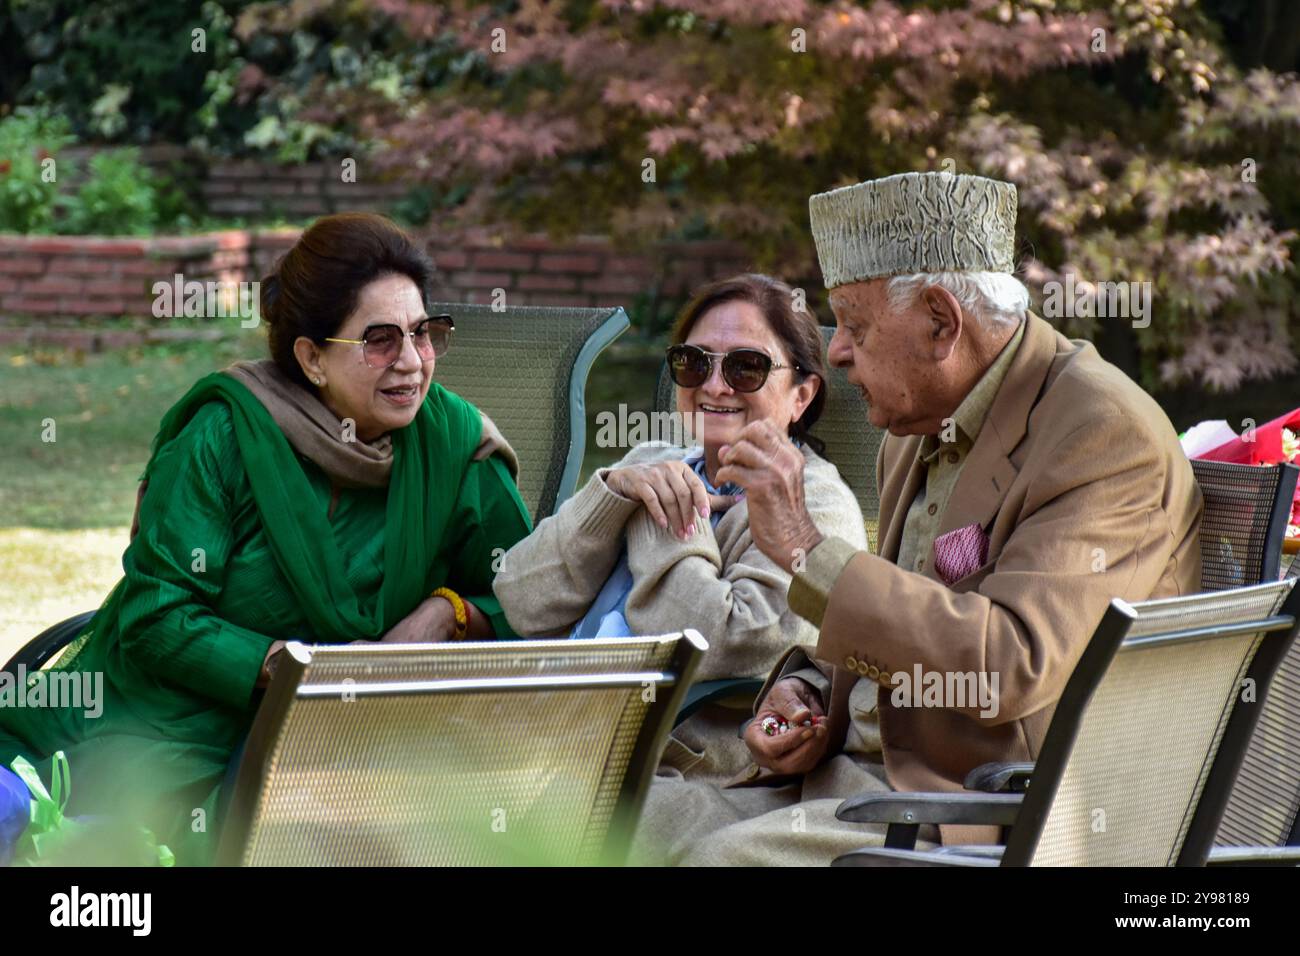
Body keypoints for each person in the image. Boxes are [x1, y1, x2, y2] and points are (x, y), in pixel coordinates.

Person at [631, 172, 1202, 865]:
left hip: (979, 810)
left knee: (718, 863)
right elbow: (899, 619)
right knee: (613, 820)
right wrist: (808, 691)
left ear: (940, 322)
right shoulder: (913, 424)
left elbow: (1007, 664)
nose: (837, 350)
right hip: (853, 780)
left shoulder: (1103, 434)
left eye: (858, 325)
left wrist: (809, 551)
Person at [0, 212, 532, 865]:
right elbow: (155, 615)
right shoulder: (226, 435)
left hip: (339, 764)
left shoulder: (453, 449)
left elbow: (529, 600)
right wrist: (286, 668)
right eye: (380, 340)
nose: (412, 363)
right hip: (157, 731)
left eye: (424, 334)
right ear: (311, 356)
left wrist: (448, 613)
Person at [493, 274, 867, 782]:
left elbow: (733, 644)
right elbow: (521, 600)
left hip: (661, 766)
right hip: (541, 726)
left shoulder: (814, 506)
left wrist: (664, 522)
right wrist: (610, 499)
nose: (714, 386)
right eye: (694, 363)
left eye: (746, 367)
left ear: (801, 395)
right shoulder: (650, 461)